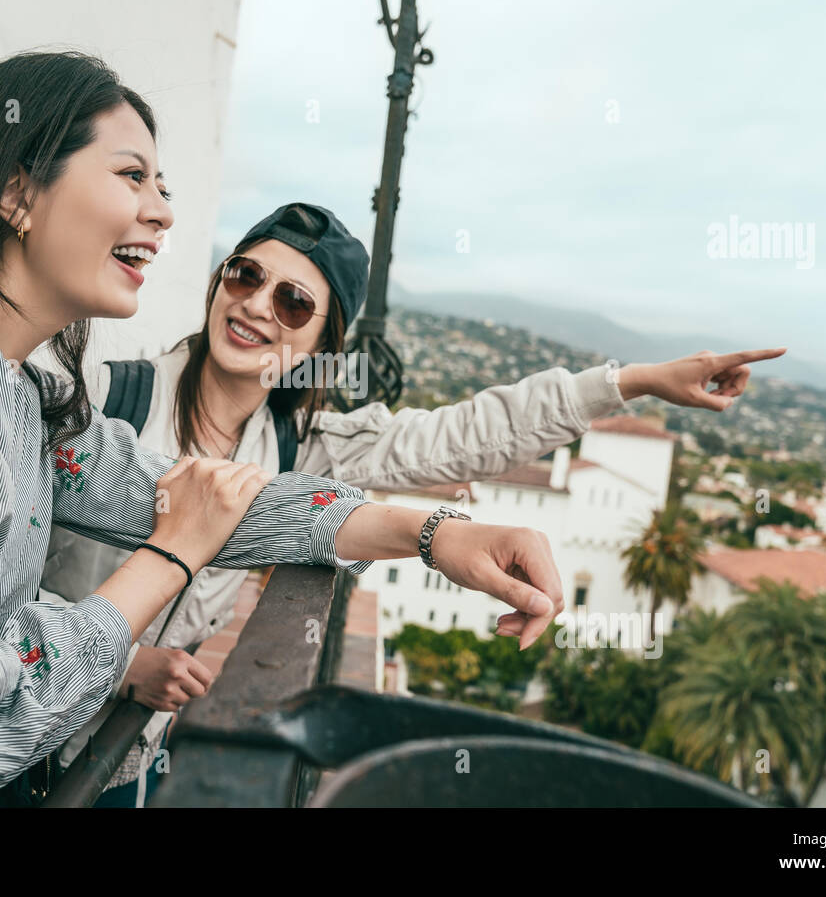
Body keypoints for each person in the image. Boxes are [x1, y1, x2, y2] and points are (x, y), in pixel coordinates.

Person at [0, 52, 570, 808]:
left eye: (164, 187)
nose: (165, 213)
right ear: (18, 193)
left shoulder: (24, 389)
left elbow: (204, 500)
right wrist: (170, 560)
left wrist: (435, 532)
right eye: (132, 176)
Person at [41, 201, 787, 805]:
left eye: (293, 301)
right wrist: (126, 664)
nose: (256, 305)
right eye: (244, 274)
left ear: (318, 343)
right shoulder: (106, 398)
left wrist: (637, 382)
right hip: (20, 738)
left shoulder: (307, 447)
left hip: (123, 769)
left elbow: (464, 435)